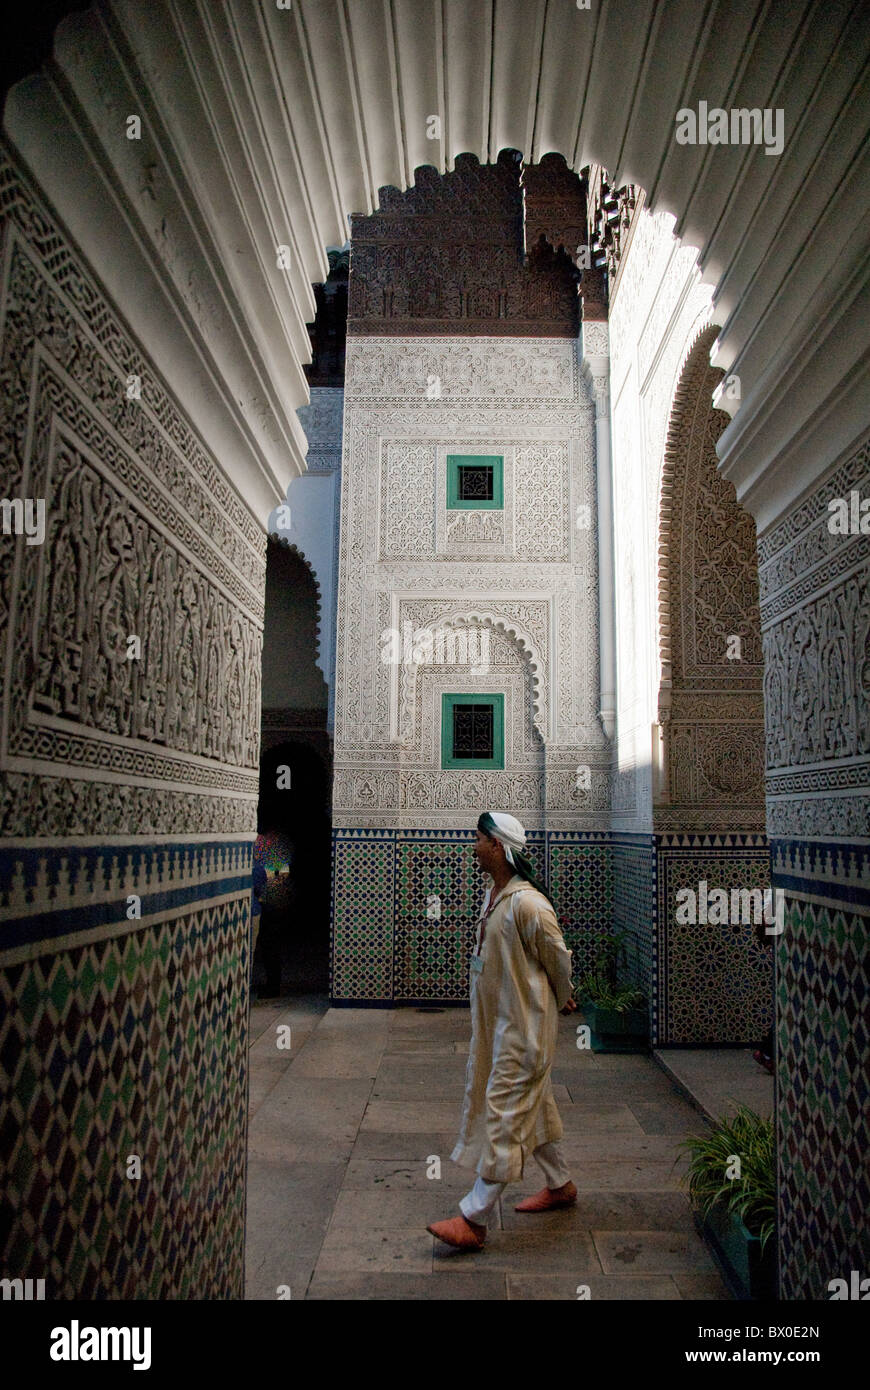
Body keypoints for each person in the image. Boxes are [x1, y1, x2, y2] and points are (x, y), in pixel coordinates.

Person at [427, 811, 578, 1251]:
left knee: (505, 1113)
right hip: (501, 1027)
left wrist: (565, 992)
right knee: (536, 1108)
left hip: (525, 1032)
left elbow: (558, 958)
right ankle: (561, 1184)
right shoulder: (496, 897)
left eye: (477, 839)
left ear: (497, 846)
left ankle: (473, 1217)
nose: (472, 846)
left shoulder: (528, 904)